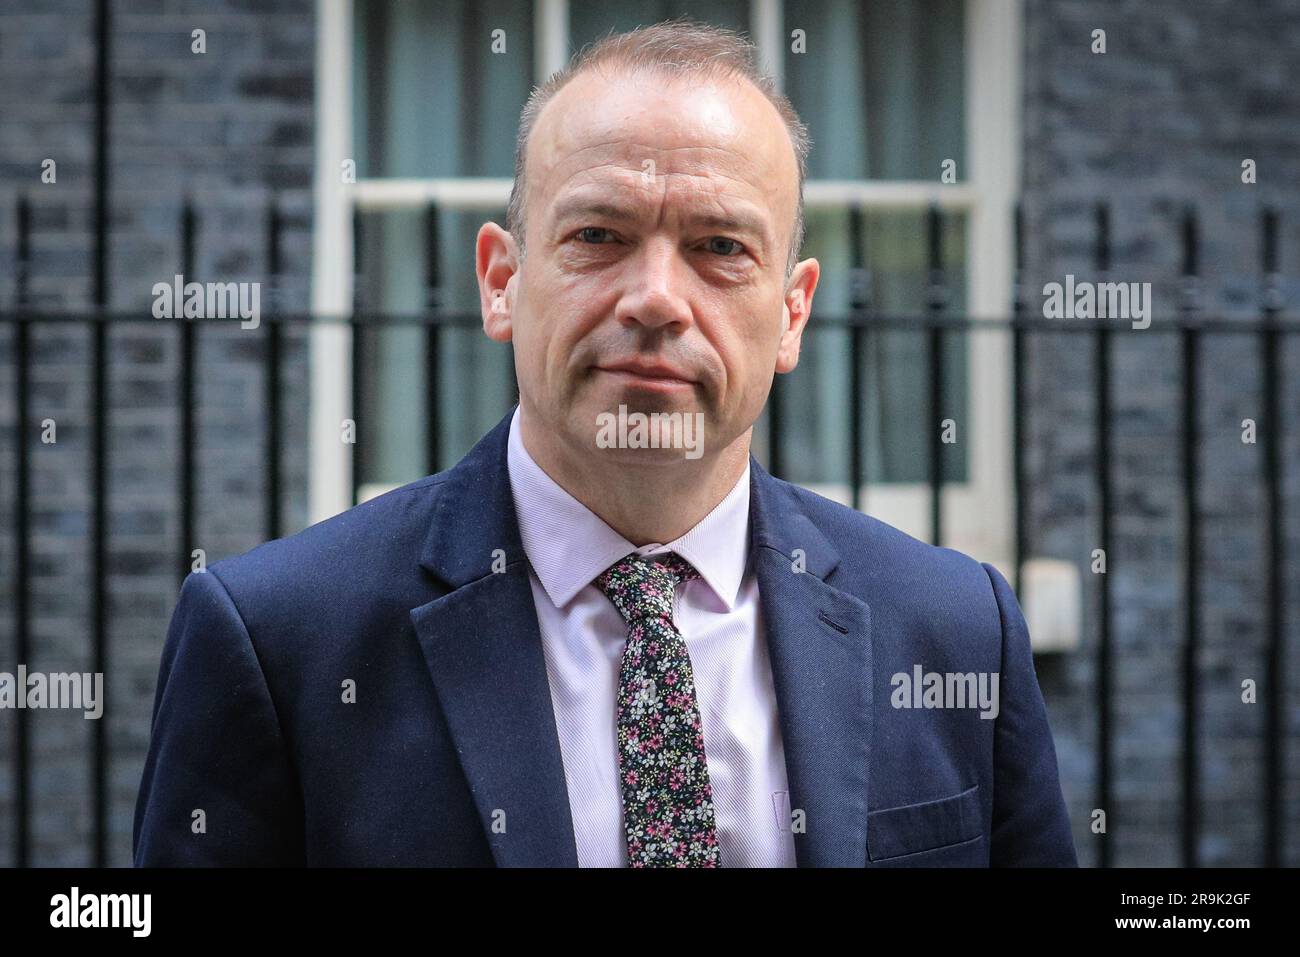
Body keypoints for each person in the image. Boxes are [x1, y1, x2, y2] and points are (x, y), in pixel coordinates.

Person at [134, 19, 1076, 867]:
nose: (658, 298)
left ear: (792, 314)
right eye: (598, 233)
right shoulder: (275, 638)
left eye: (720, 247)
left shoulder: (957, 630)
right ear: (501, 281)